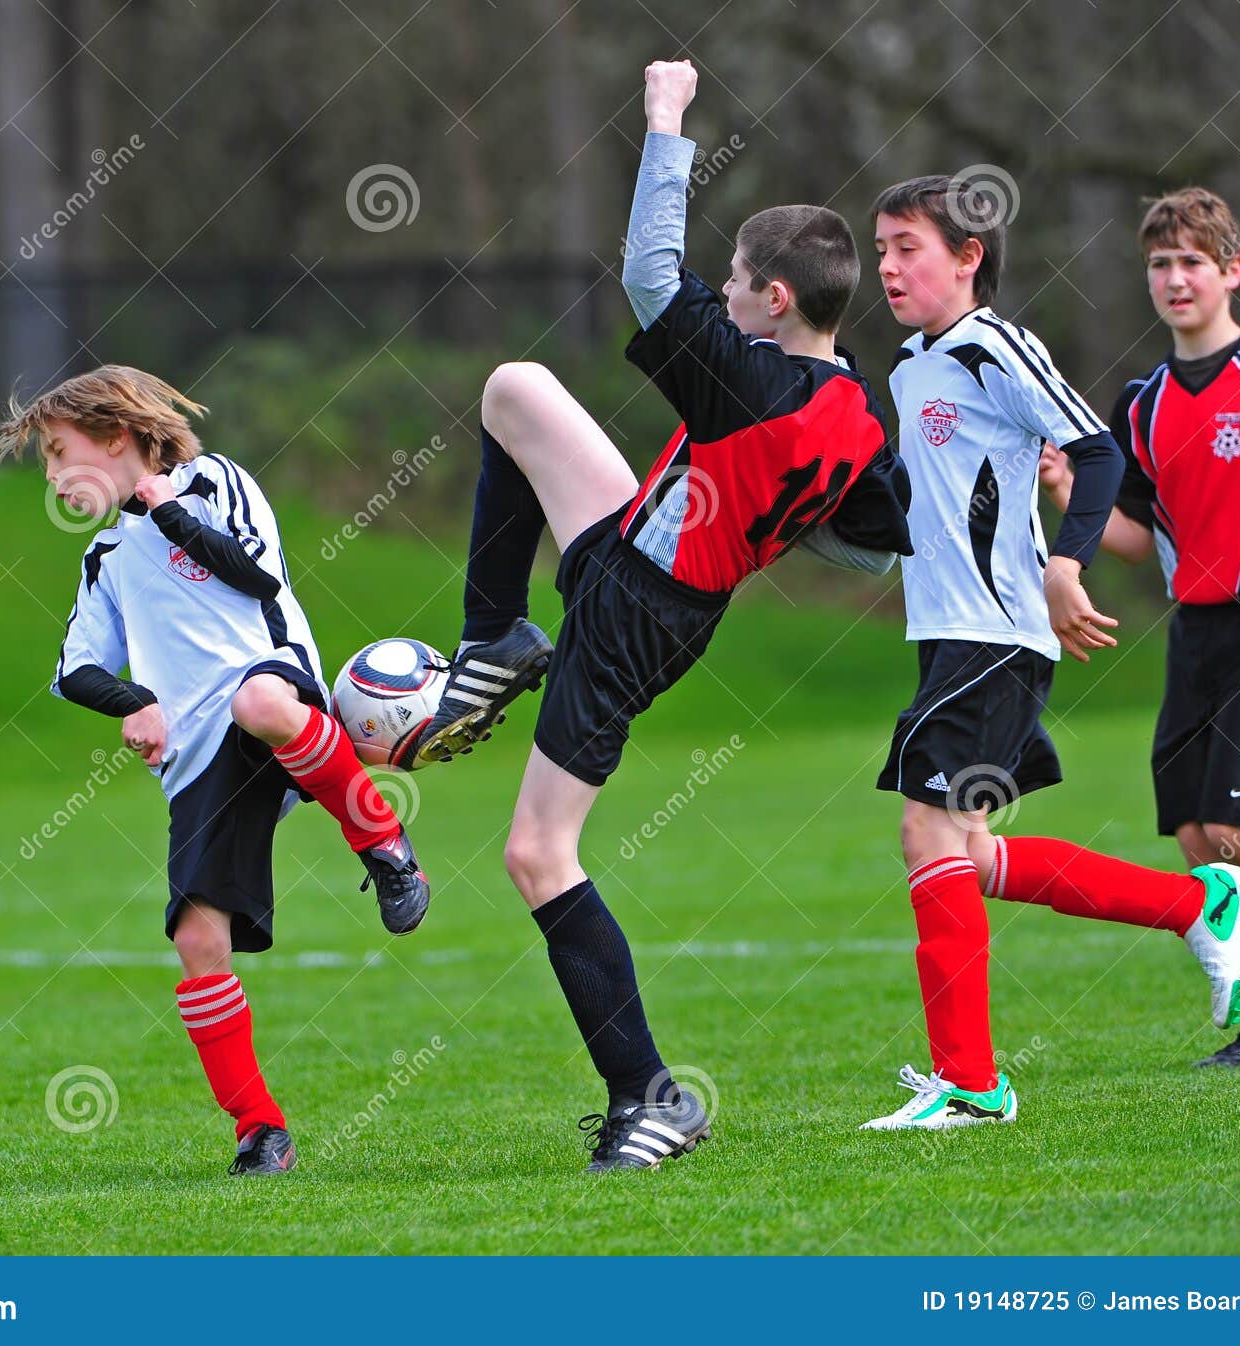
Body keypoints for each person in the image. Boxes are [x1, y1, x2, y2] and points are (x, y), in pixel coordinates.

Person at [410, 60, 913, 1169]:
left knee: (538, 853)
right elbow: (873, 546)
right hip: (635, 543)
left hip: (643, 609)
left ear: (775, 297)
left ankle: (650, 1095)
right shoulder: (849, 410)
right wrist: (773, 520)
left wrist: (665, 121)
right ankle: (492, 637)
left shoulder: (749, 377)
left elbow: (645, 272)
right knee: (514, 389)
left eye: (737, 282)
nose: (722, 296)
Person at [864, 175, 1240, 1131]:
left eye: (907, 246)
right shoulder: (912, 367)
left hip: (998, 633)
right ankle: (1196, 903)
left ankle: (971, 1084)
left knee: (928, 833)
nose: (887, 265)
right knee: (972, 851)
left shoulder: (993, 343)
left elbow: (1100, 453)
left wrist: (1065, 568)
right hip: (949, 635)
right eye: (880, 248)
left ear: (968, 257)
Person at [0, 365, 430, 1176]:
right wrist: (134, 702)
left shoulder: (213, 482)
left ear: (116, 436)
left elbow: (255, 571)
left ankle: (383, 842)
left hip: (272, 688)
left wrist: (167, 507)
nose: (51, 476)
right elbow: (73, 667)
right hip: (197, 761)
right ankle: (260, 1130)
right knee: (197, 939)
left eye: (58, 452)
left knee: (258, 704)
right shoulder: (105, 558)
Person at [1041, 186, 1240, 1068]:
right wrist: (1064, 491)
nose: (1175, 279)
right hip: (1195, 636)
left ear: (1231, 272)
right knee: (1199, 836)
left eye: (1193, 263)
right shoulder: (1142, 401)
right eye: (1160, 264)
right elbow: (1137, 538)